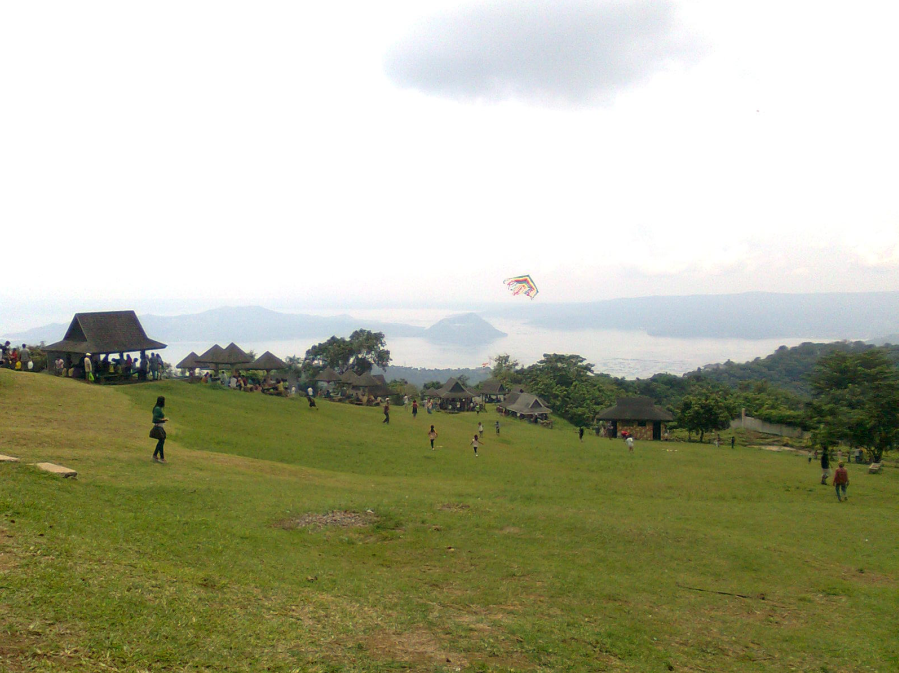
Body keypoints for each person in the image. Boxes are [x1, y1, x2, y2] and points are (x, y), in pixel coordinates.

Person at [151, 396, 168, 463]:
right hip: (158, 426)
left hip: (159, 426)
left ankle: (156, 455)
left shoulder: (157, 408)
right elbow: (155, 419)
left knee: (161, 441)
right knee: (161, 441)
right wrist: (163, 419)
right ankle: (161, 457)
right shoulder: (158, 409)